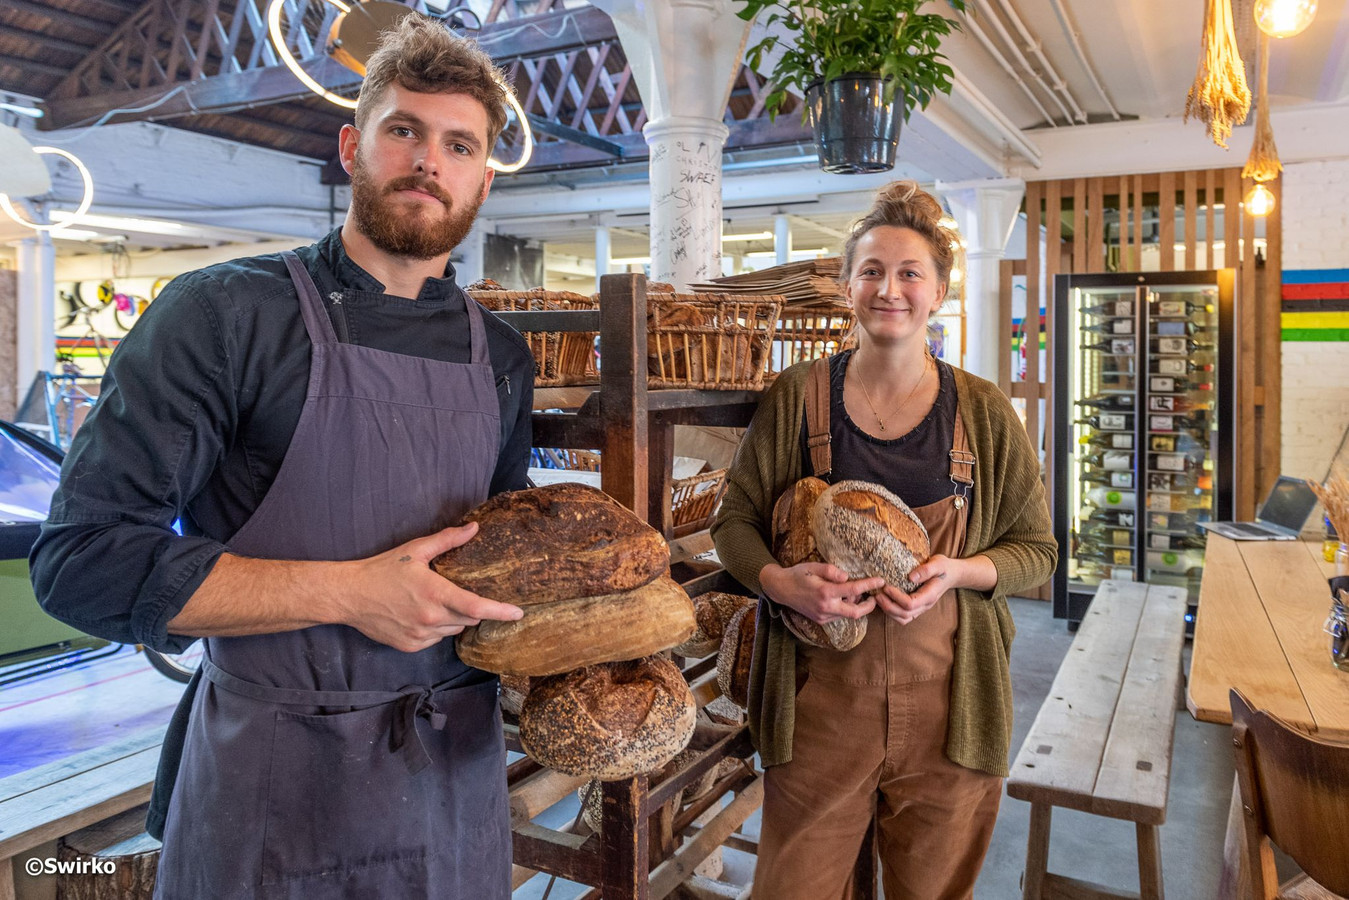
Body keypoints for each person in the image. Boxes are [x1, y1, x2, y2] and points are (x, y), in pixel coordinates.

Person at [30, 15, 534, 899]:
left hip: (451, 777)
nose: (428, 161)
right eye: (403, 130)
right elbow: (83, 565)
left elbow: (501, 554)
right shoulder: (222, 316)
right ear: (350, 147)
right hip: (274, 786)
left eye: (459, 145)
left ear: (483, 180)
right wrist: (349, 593)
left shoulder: (499, 355)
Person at [711, 181, 1057, 899]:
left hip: (951, 711)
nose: (889, 289)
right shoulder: (799, 396)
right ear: (847, 288)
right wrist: (779, 583)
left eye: (909, 274)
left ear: (938, 293)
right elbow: (733, 521)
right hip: (819, 708)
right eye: (871, 271)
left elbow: (1036, 550)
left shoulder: (984, 412)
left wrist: (958, 572)